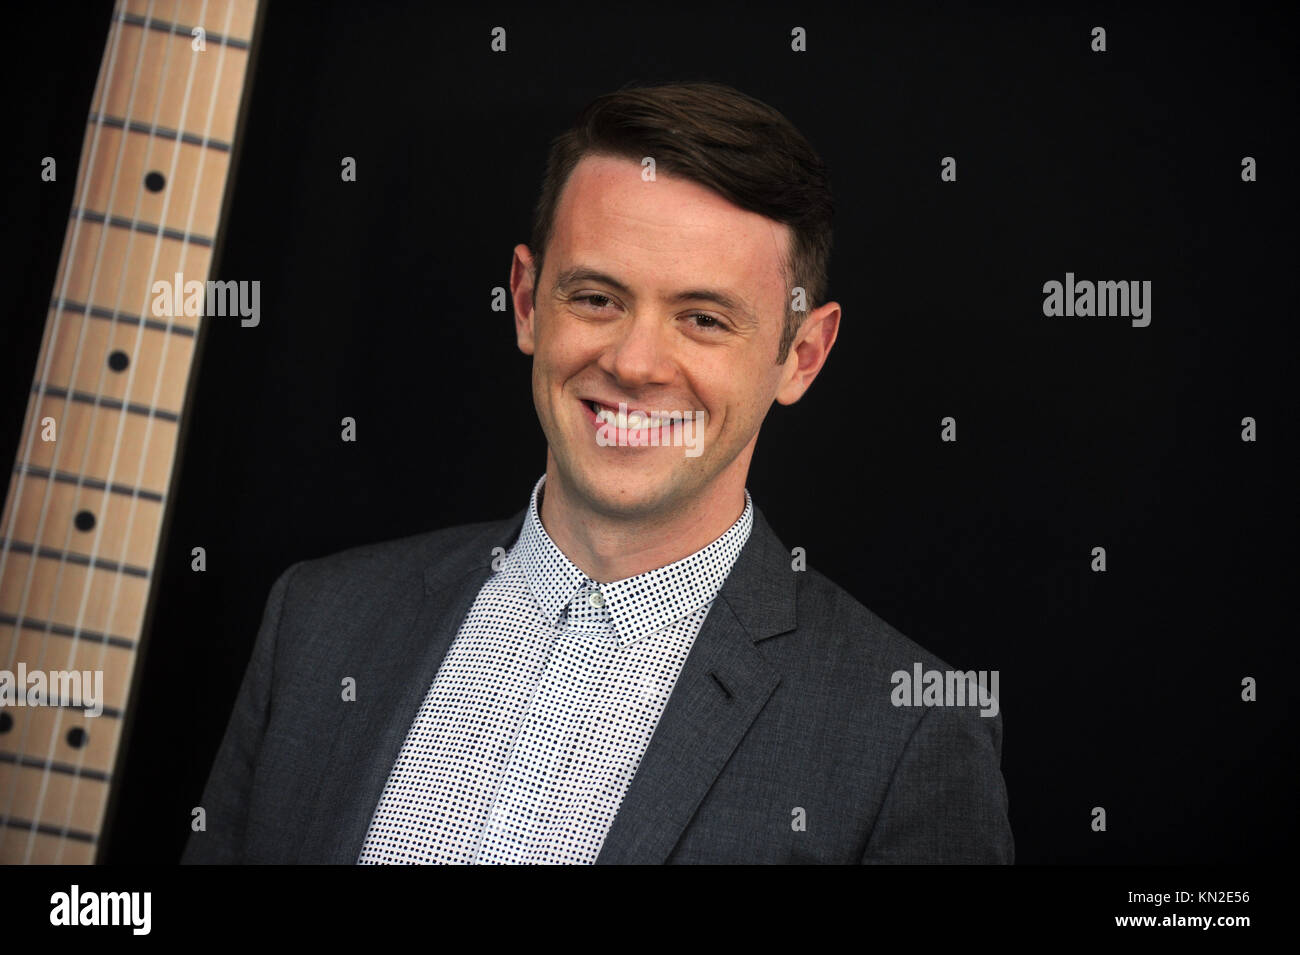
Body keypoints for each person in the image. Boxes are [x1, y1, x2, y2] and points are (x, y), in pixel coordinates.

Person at [183, 80, 1013, 864]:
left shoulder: (910, 733)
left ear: (801, 355)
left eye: (704, 317)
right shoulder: (318, 621)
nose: (637, 361)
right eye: (596, 299)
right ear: (524, 299)